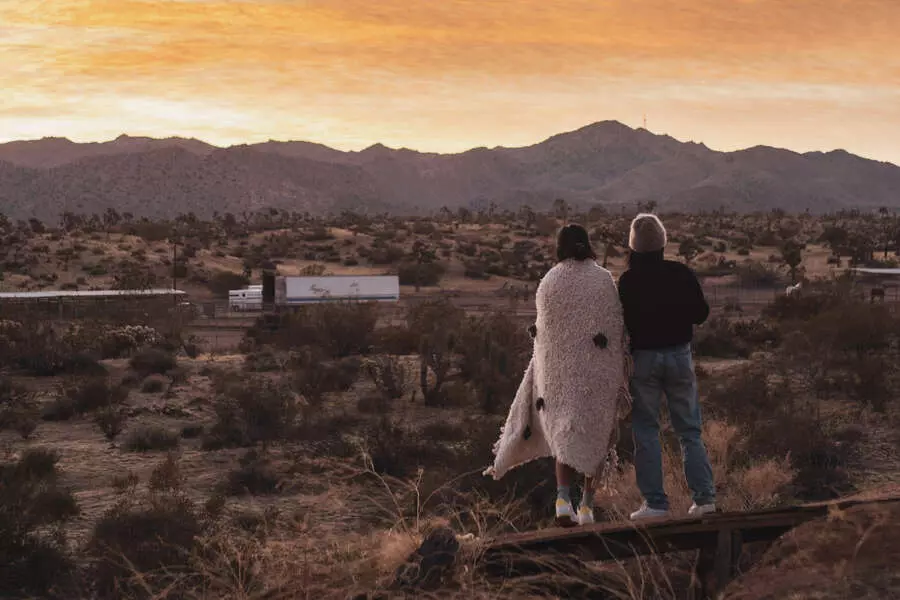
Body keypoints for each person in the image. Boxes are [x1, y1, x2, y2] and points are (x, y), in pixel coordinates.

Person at [485, 224, 631, 527]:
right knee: (597, 432)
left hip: (558, 373)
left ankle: (563, 499)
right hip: (596, 372)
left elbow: (545, 334)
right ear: (586, 244)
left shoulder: (549, 281)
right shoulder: (603, 279)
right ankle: (587, 505)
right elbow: (615, 326)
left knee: (564, 433)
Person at [617, 213, 716, 520]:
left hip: (644, 359)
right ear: (662, 243)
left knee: (646, 429)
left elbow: (621, 324)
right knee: (689, 430)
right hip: (679, 356)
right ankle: (704, 499)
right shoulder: (681, 273)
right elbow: (701, 314)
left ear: (634, 246)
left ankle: (656, 504)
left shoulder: (628, 281)